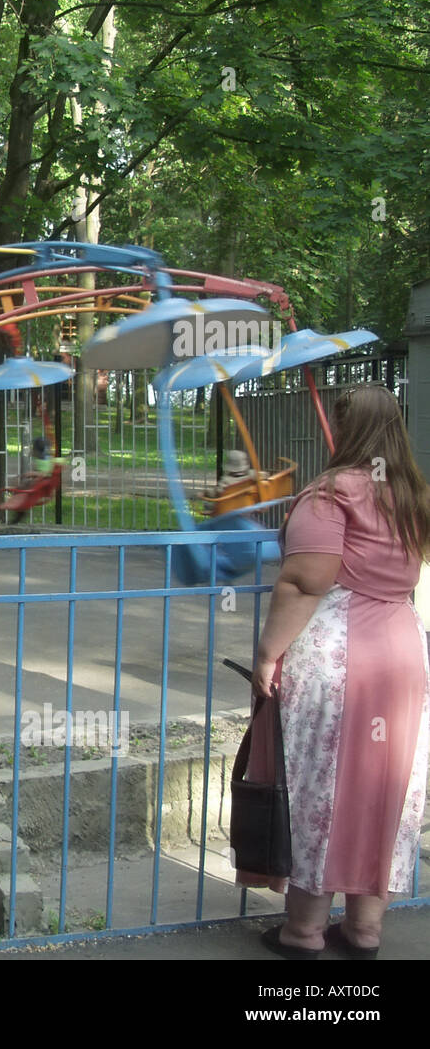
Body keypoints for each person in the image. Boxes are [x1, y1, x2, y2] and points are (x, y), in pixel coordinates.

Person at [250, 385, 430, 959]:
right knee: (386, 787)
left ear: (344, 429)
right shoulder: (410, 492)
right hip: (402, 649)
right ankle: (363, 933)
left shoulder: (331, 493)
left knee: (319, 786)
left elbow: (307, 580)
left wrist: (267, 653)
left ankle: (302, 933)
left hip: (339, 654)